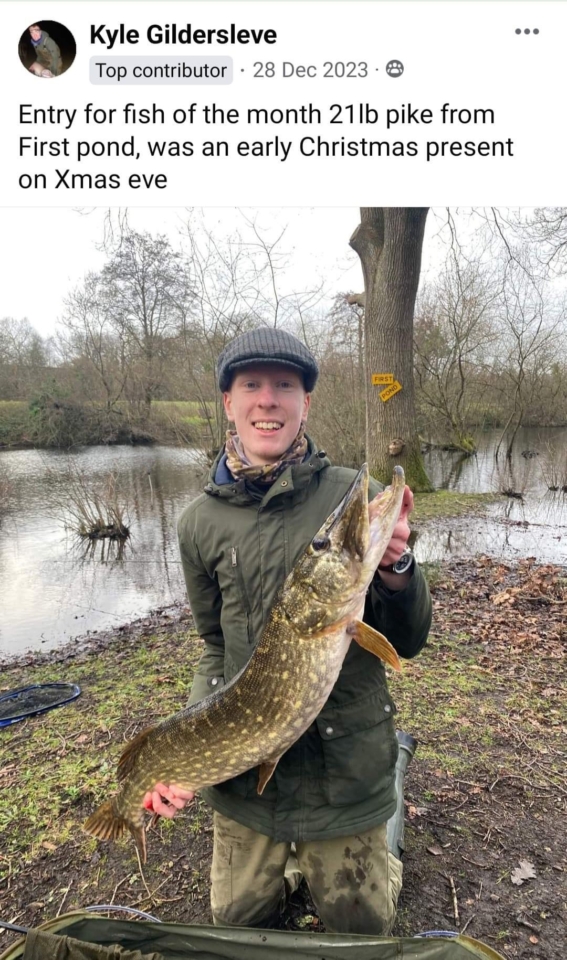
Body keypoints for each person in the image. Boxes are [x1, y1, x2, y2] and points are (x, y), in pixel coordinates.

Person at [144, 328, 432, 934]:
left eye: (285, 386)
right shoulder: (199, 522)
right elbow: (215, 649)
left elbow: (405, 641)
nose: (267, 400)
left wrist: (399, 568)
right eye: (251, 385)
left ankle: (386, 856)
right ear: (229, 402)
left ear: (307, 403)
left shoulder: (353, 492)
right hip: (248, 784)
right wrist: (186, 757)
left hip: (344, 768)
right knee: (238, 922)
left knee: (362, 926)